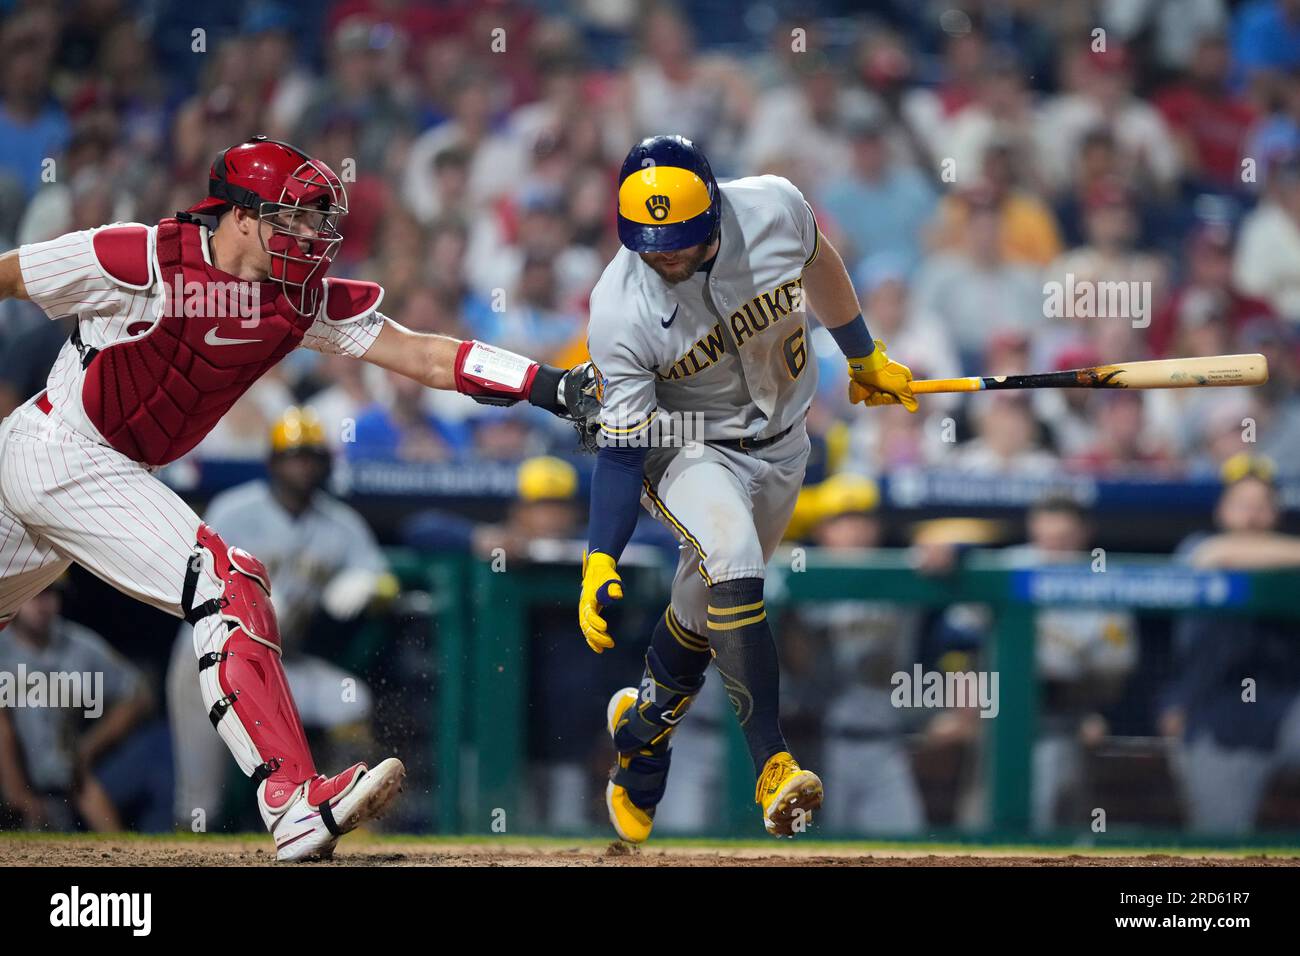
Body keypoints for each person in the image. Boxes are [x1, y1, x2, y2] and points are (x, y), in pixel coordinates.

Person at [0, 135, 592, 860]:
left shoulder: (296, 299)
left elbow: (425, 354)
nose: (312, 237)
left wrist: (551, 386)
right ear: (241, 216)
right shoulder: (137, 256)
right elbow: (7, 278)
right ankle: (292, 799)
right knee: (226, 579)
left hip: (96, 473)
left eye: (319, 221)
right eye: (295, 219)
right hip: (61, 449)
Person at [577, 135, 917, 843]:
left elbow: (820, 262)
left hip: (785, 441)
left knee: (705, 609)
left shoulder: (774, 207)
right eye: (650, 242)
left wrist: (864, 354)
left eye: (678, 240)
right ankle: (774, 765)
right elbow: (621, 448)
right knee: (732, 560)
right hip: (684, 442)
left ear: (715, 212)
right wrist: (600, 555)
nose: (663, 255)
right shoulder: (619, 306)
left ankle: (642, 735)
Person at [166, 407, 391, 830]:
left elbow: (380, 575)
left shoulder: (341, 524)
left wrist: (366, 582)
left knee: (350, 702)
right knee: (199, 802)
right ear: (273, 462)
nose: (303, 466)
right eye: (293, 456)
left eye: (311, 457)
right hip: (209, 660)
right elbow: (191, 578)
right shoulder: (233, 509)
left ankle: (349, 818)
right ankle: (189, 845)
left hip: (282, 665)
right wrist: (251, 605)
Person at [1163, 456, 1300, 833]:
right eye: (1243, 505)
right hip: (1215, 713)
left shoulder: (1288, 556)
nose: (1253, 516)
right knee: (1220, 845)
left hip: (1287, 704)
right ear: (1222, 510)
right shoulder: (1199, 547)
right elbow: (1217, 556)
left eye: (1262, 506)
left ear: (1276, 513)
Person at [0, 577, 152, 832]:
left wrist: (90, 747)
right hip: (12, 784)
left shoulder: (79, 646)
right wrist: (16, 790)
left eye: (51, 592)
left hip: (67, 781)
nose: (43, 603)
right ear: (14, 594)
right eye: (33, 592)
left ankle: (124, 855)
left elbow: (139, 695)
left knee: (91, 789)